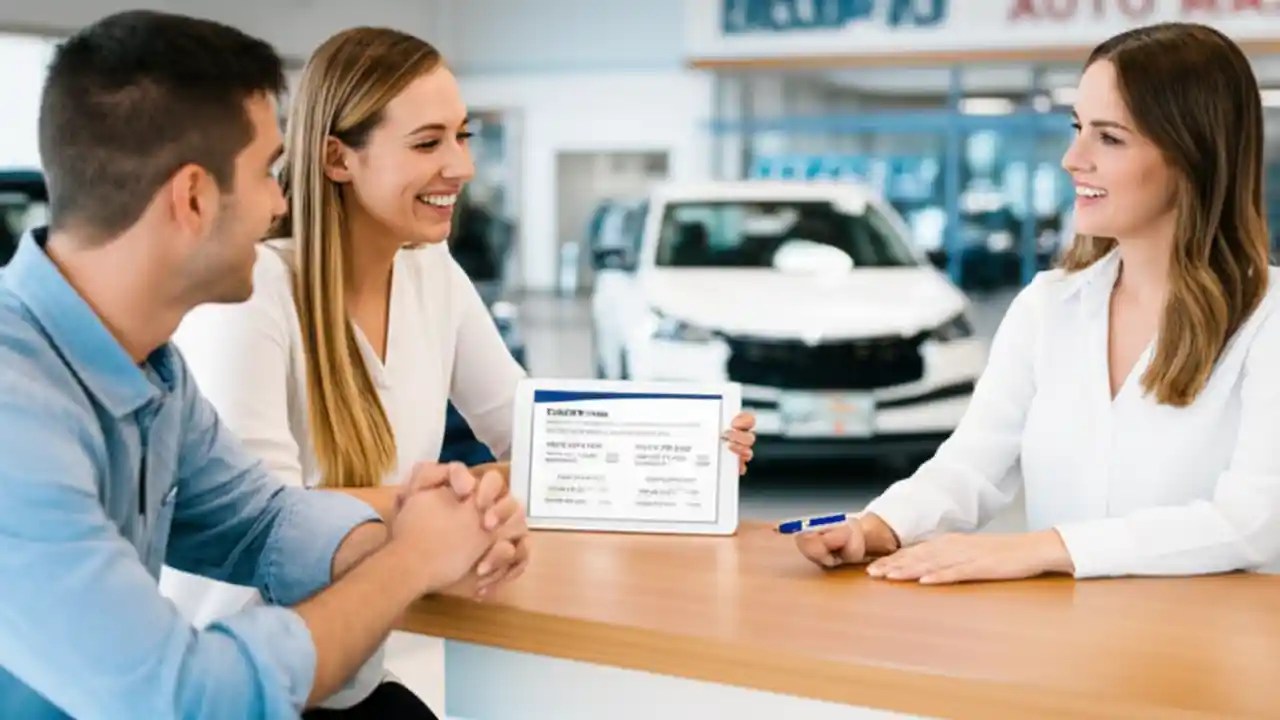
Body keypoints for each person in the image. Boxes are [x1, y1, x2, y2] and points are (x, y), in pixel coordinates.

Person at [155, 25, 758, 714]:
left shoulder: (429, 272)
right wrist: (468, 498)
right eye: (427, 142)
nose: (462, 166)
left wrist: (677, 452)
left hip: (351, 676)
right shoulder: (254, 290)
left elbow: (531, 434)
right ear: (336, 158)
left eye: (463, 136)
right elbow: (268, 524)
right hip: (250, 684)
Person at [0, 11, 525, 720]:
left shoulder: (150, 370)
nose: (285, 200)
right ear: (192, 198)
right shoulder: (16, 416)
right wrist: (410, 560)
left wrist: (420, 523)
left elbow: (261, 522)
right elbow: (185, 698)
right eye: (268, 173)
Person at [796, 22, 1280, 583]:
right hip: (1067, 650)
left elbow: (1253, 522)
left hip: (1213, 654)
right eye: (1078, 129)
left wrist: (1043, 549)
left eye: (1110, 137)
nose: (1072, 159)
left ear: (1192, 156)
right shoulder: (1049, 307)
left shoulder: (1268, 317)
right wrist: (878, 527)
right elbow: (972, 463)